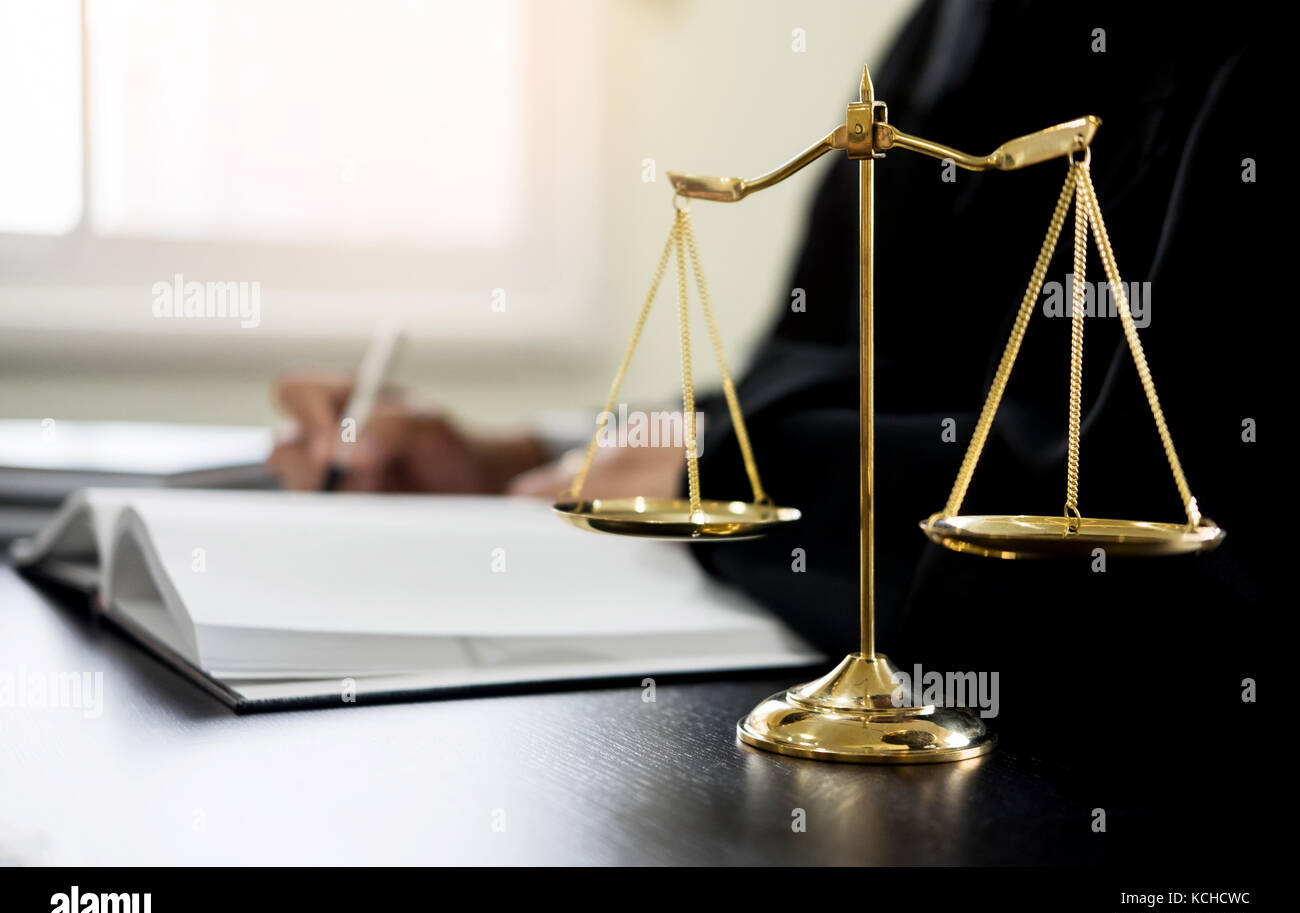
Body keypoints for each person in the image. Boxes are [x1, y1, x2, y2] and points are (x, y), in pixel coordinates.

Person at [269, 1, 1268, 862]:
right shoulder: (951, 27)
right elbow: (808, 363)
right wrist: (530, 453)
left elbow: (1167, 528)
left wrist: (723, 460)